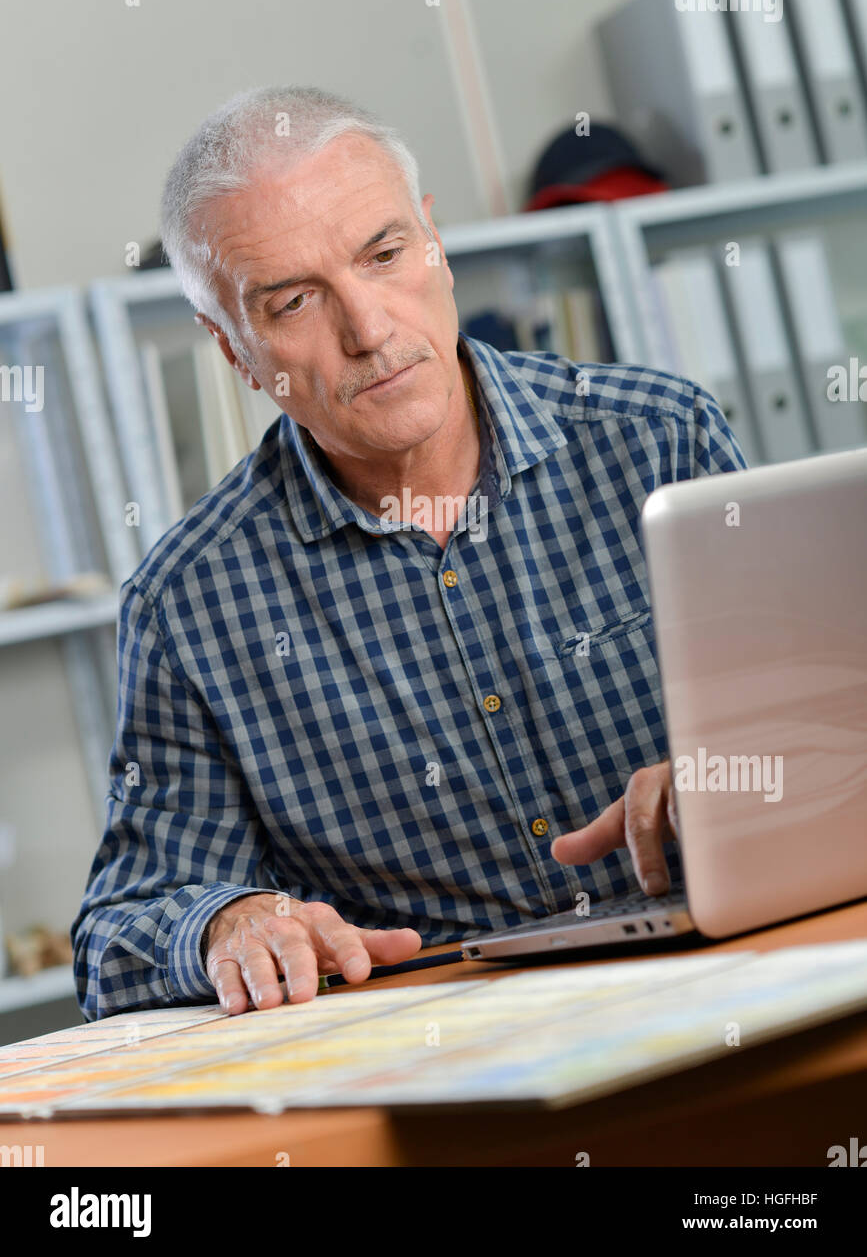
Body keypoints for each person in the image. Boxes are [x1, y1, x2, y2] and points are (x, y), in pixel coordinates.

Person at [72, 86, 747, 1020]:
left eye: (384, 255)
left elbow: (840, 731)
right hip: (460, 1083)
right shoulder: (189, 603)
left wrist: (750, 772)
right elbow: (115, 934)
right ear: (232, 347)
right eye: (294, 300)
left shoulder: (659, 442)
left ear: (434, 242)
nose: (370, 329)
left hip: (739, 994)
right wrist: (230, 923)